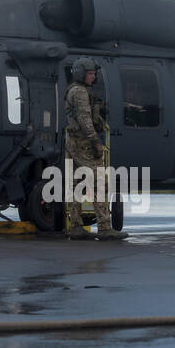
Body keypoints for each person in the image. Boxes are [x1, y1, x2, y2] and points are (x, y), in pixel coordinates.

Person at [64, 57, 126, 240]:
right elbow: (84, 119)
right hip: (83, 143)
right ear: (81, 74)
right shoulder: (80, 92)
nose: (94, 76)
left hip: (73, 141)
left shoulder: (73, 90)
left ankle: (76, 226)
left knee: (76, 184)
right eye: (91, 73)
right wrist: (95, 141)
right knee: (100, 183)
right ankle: (105, 228)